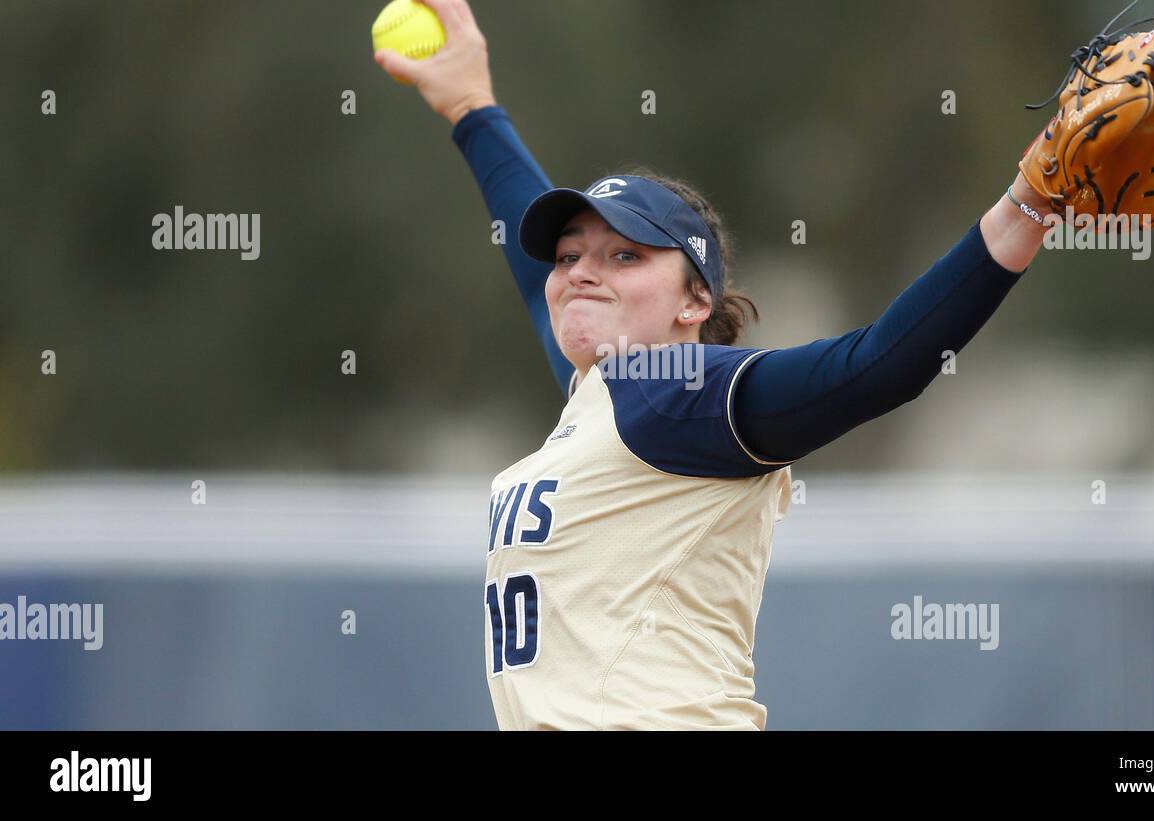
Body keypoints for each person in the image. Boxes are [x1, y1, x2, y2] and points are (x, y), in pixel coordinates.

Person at [375, 0, 1051, 730]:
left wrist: (1029, 205)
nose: (580, 273)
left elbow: (880, 362)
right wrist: (472, 106)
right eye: (569, 256)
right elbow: (536, 272)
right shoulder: (606, 401)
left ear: (695, 300)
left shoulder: (685, 395)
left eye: (624, 255)